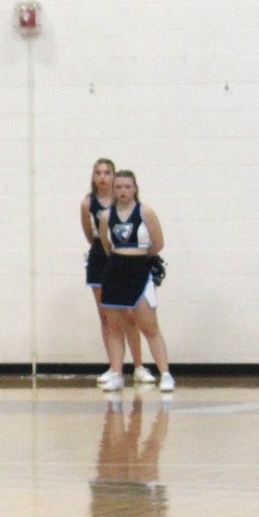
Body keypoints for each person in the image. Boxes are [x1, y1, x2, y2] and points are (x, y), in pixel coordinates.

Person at [96, 170, 174, 393]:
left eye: (127, 187)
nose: (122, 191)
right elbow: (106, 245)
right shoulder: (106, 216)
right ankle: (117, 373)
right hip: (114, 272)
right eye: (118, 187)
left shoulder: (145, 211)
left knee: (149, 326)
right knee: (114, 327)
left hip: (139, 271)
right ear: (114, 189)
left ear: (135, 188)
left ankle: (165, 374)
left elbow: (158, 243)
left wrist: (140, 259)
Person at [82, 158, 146, 387]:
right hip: (100, 256)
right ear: (93, 177)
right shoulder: (88, 203)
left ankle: (139, 366)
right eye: (98, 172)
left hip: (123, 257)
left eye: (107, 172)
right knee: (106, 317)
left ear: (114, 176)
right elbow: (90, 235)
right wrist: (101, 249)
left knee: (129, 315)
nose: (102, 177)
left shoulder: (124, 200)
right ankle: (114, 367)